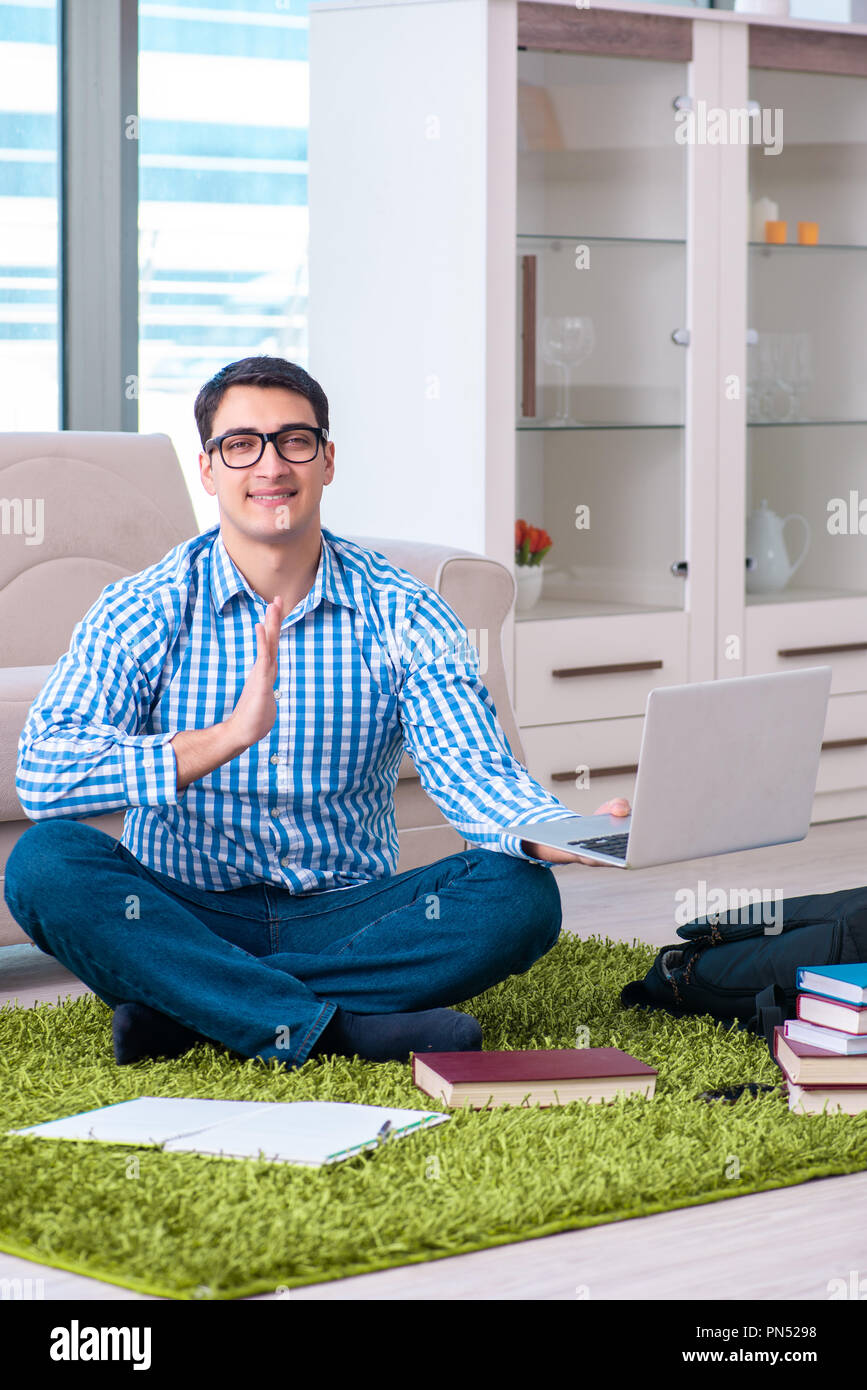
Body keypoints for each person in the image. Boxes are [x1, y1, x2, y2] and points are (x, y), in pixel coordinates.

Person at [5, 356, 629, 1070]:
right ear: (209, 470)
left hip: (346, 916)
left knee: (520, 897)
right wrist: (224, 739)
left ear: (326, 460)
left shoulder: (403, 609)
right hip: (184, 913)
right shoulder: (145, 606)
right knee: (45, 863)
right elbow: (43, 774)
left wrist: (559, 832)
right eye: (241, 445)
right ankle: (337, 1029)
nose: (269, 464)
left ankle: (194, 1011)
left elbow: (472, 769)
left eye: (294, 441)